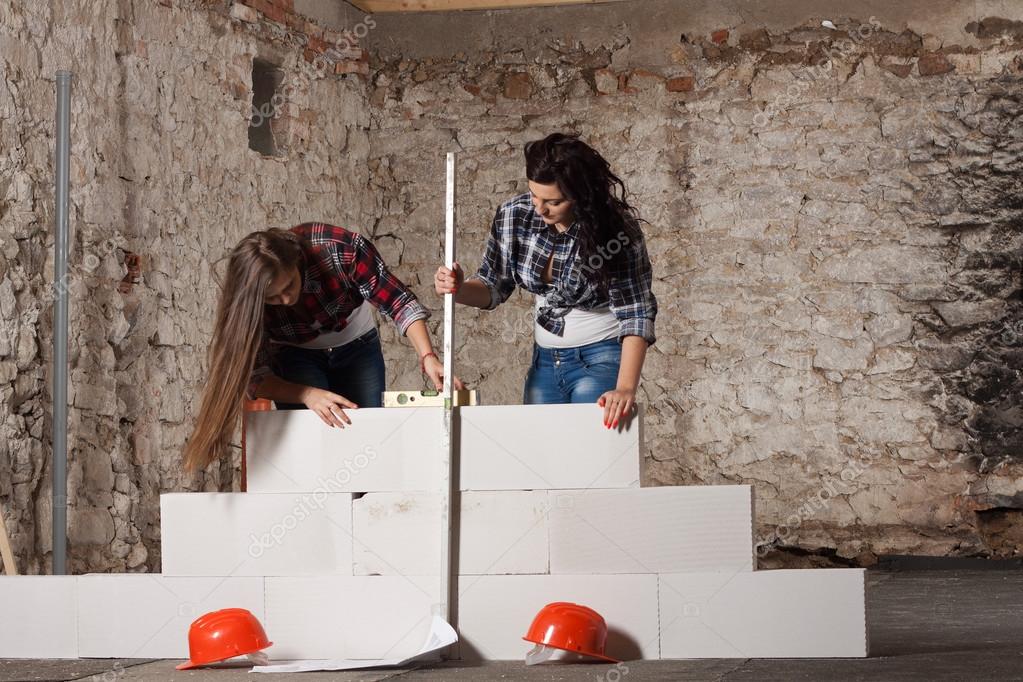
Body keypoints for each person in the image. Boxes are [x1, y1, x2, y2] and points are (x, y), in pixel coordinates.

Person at [184, 222, 459, 471]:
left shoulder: (339, 249)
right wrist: (306, 394)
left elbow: (398, 302)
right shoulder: (245, 302)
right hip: (293, 353)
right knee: (314, 445)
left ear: (297, 261)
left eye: (289, 285)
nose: (287, 298)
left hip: (357, 343)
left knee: (363, 438)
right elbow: (253, 378)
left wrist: (428, 356)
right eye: (273, 298)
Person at [435, 133, 656, 429]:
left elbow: (636, 311)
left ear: (581, 195)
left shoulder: (616, 231)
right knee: (543, 461)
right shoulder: (514, 215)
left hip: (601, 357)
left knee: (588, 456)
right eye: (534, 194)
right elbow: (492, 288)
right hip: (546, 361)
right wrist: (458, 289)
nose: (540, 208)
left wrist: (626, 387)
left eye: (554, 201)